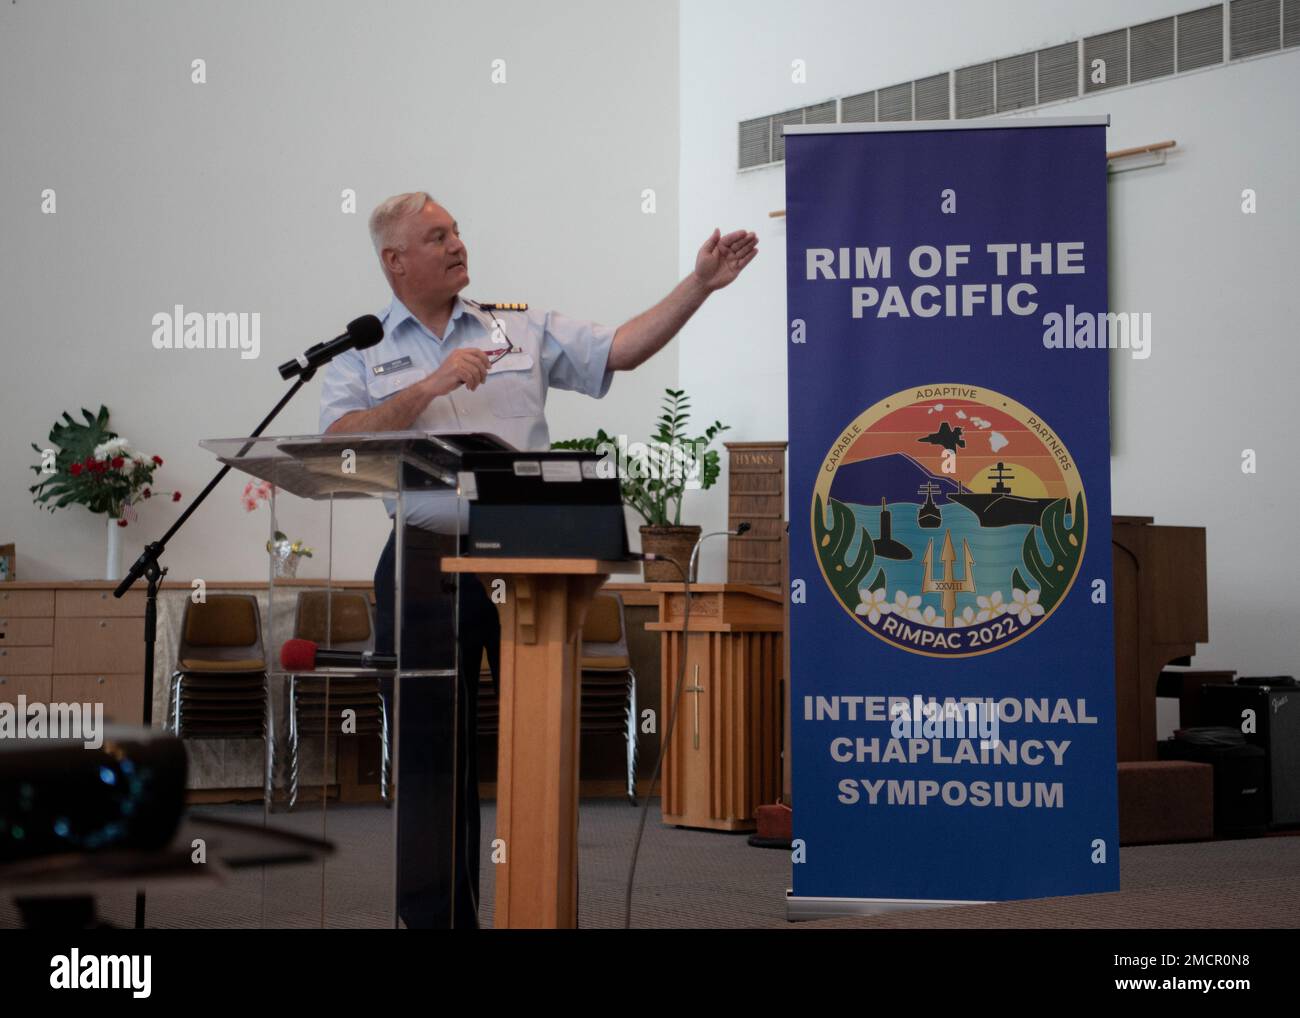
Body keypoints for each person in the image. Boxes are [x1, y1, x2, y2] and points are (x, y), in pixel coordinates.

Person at [319, 191, 756, 927]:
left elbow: (617, 349)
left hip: (526, 559)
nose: (457, 243)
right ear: (394, 261)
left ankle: (538, 912)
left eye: (457, 229)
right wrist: (429, 385)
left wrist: (699, 285)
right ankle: (436, 924)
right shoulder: (360, 349)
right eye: (436, 236)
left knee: (540, 739)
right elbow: (341, 443)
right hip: (423, 558)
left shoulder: (514, 327)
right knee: (431, 754)